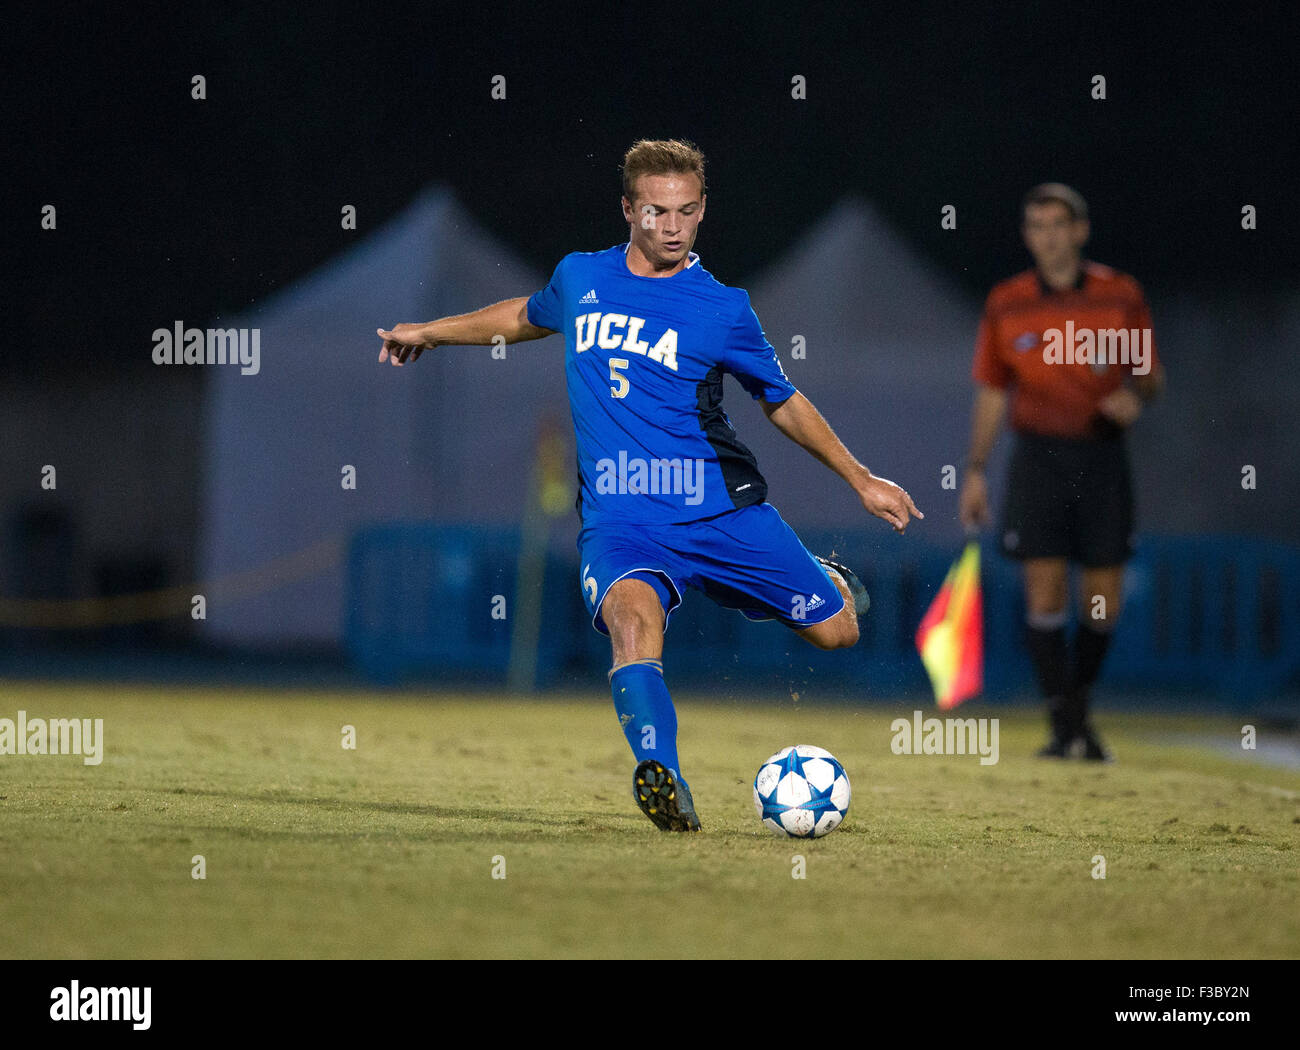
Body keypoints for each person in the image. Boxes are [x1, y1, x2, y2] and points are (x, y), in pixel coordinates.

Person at [377, 139, 921, 829]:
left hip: (721, 512)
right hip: (622, 519)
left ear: (701, 212)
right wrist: (430, 331)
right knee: (634, 625)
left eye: (686, 212)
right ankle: (660, 774)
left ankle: (825, 578)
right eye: (657, 212)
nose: (672, 227)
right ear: (628, 209)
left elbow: (780, 399)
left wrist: (861, 479)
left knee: (838, 634)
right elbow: (523, 316)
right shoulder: (580, 278)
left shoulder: (723, 308)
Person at [959, 183, 1164, 760]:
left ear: (1080, 230)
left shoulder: (1120, 294)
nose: (1046, 237)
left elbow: (1152, 375)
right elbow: (993, 391)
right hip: (1037, 459)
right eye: (1035, 226)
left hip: (1101, 457)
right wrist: (974, 470)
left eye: (1057, 224)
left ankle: (1073, 716)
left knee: (1104, 599)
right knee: (1044, 593)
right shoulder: (1007, 300)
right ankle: (1066, 727)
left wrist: (1135, 396)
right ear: (1027, 236)